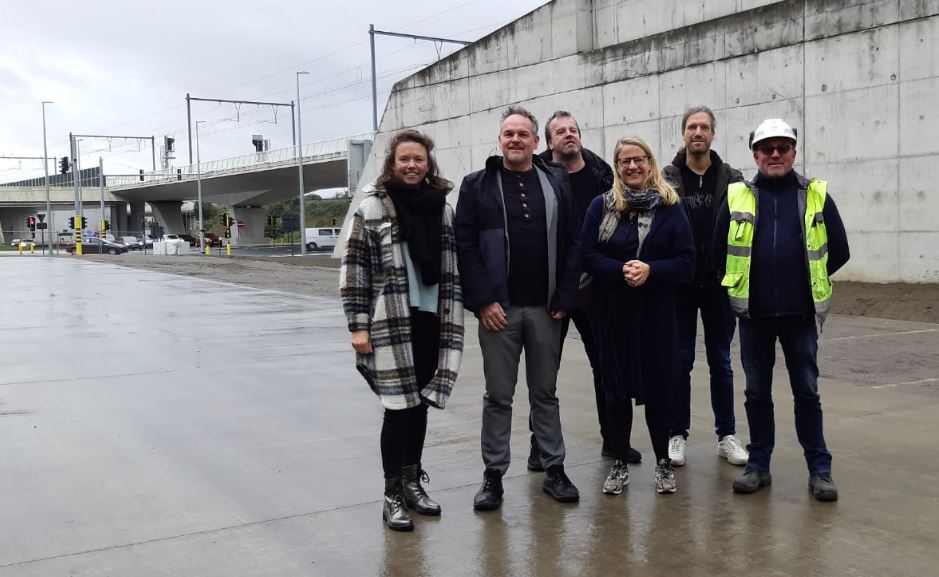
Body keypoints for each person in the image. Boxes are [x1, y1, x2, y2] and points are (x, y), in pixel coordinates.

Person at [713, 118, 849, 502]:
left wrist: (809, 280)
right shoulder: (737, 194)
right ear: (755, 154)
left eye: (783, 148)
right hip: (754, 317)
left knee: (807, 392)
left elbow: (839, 249)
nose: (775, 154)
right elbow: (716, 251)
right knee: (757, 394)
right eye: (767, 148)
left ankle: (820, 470)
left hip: (800, 316)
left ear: (794, 152)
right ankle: (759, 467)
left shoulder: (816, 195)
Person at [455, 106, 582, 510]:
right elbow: (466, 247)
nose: (515, 140)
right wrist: (483, 302)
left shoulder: (555, 180)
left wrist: (565, 296)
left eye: (522, 135)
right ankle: (493, 476)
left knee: (545, 393)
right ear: (500, 139)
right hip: (499, 311)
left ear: (536, 142)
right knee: (498, 396)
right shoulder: (477, 185)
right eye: (508, 134)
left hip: (546, 309)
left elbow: (574, 242)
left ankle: (554, 468)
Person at [340, 130, 465, 531]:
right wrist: (357, 325)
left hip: (432, 317)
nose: (411, 166)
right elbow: (354, 270)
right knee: (397, 410)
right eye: (404, 159)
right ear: (392, 164)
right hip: (389, 320)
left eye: (419, 159)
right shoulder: (372, 208)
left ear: (429, 164)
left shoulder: (442, 208)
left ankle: (413, 481)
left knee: (419, 405)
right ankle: (392, 493)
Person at [524, 110, 642, 470]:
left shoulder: (604, 174)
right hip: (552, 289)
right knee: (545, 371)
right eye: (560, 132)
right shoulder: (535, 174)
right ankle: (540, 445)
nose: (568, 135)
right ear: (548, 141)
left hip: (595, 288)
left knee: (605, 366)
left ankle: (613, 439)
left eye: (573, 129)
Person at [581, 136, 694, 495]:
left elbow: (687, 260)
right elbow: (586, 254)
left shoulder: (670, 206)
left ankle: (663, 463)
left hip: (656, 315)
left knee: (659, 390)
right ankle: (618, 461)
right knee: (616, 391)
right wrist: (620, 271)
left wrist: (651, 270)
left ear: (650, 163)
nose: (632, 166)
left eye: (638, 159)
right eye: (624, 161)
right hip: (612, 313)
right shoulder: (601, 206)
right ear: (616, 167)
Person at [662, 106, 749, 467]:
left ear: (713, 134)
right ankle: (676, 434)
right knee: (679, 361)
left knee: (721, 362)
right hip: (680, 285)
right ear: (683, 133)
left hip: (717, 284)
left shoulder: (733, 178)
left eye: (704, 127)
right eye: (691, 127)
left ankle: (726, 435)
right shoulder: (666, 177)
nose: (697, 132)